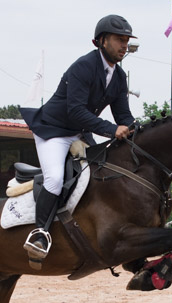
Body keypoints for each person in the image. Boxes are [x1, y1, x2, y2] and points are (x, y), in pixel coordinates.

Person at [20, 14, 136, 261]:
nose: (124, 45)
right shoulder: (83, 67)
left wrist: (140, 131)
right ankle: (39, 234)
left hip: (79, 133)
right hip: (53, 131)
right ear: (102, 41)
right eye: (119, 39)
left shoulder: (118, 76)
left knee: (102, 173)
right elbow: (76, 111)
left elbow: (124, 116)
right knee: (55, 178)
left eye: (127, 41)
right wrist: (111, 129)